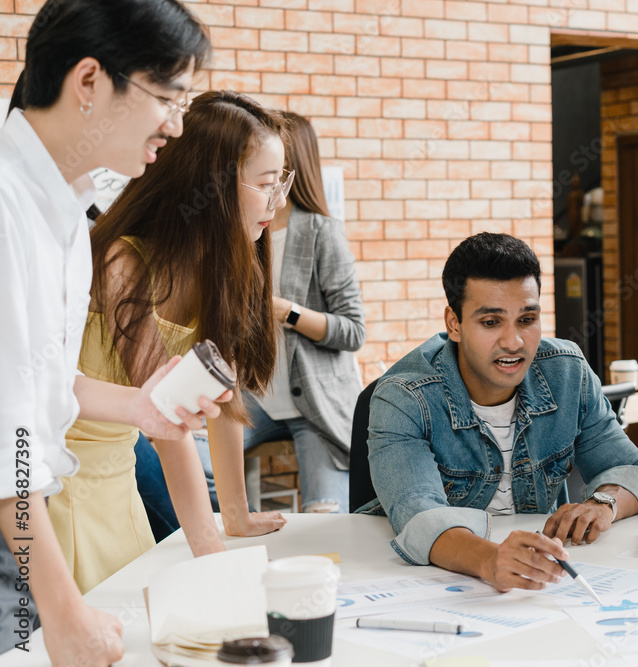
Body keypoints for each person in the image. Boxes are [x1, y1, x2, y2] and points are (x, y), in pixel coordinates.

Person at [0, 0, 216, 661]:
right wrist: (63, 611)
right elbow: (8, 443)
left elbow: (35, 376)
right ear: (89, 81)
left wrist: (135, 404)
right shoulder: (8, 208)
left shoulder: (66, 205)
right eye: (168, 97)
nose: (177, 127)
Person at [48, 90, 290, 595]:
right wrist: (212, 553)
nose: (279, 202)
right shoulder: (124, 261)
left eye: (281, 182)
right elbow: (167, 420)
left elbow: (221, 397)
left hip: (118, 486)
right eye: (267, 184)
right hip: (58, 492)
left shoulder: (224, 268)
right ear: (212, 186)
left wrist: (237, 516)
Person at [359, 233, 638, 592]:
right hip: (425, 580)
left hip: (542, 572)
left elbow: (635, 473)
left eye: (527, 319)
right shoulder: (404, 397)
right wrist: (490, 559)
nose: (514, 342)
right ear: (454, 324)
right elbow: (420, 516)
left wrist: (603, 503)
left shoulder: (567, 372)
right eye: (491, 322)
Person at [198, 110, 366, 514]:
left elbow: (353, 330)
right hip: (256, 399)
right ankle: (237, 544)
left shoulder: (322, 232)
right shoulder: (240, 231)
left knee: (323, 517)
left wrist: (285, 311)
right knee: (194, 461)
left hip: (317, 407)